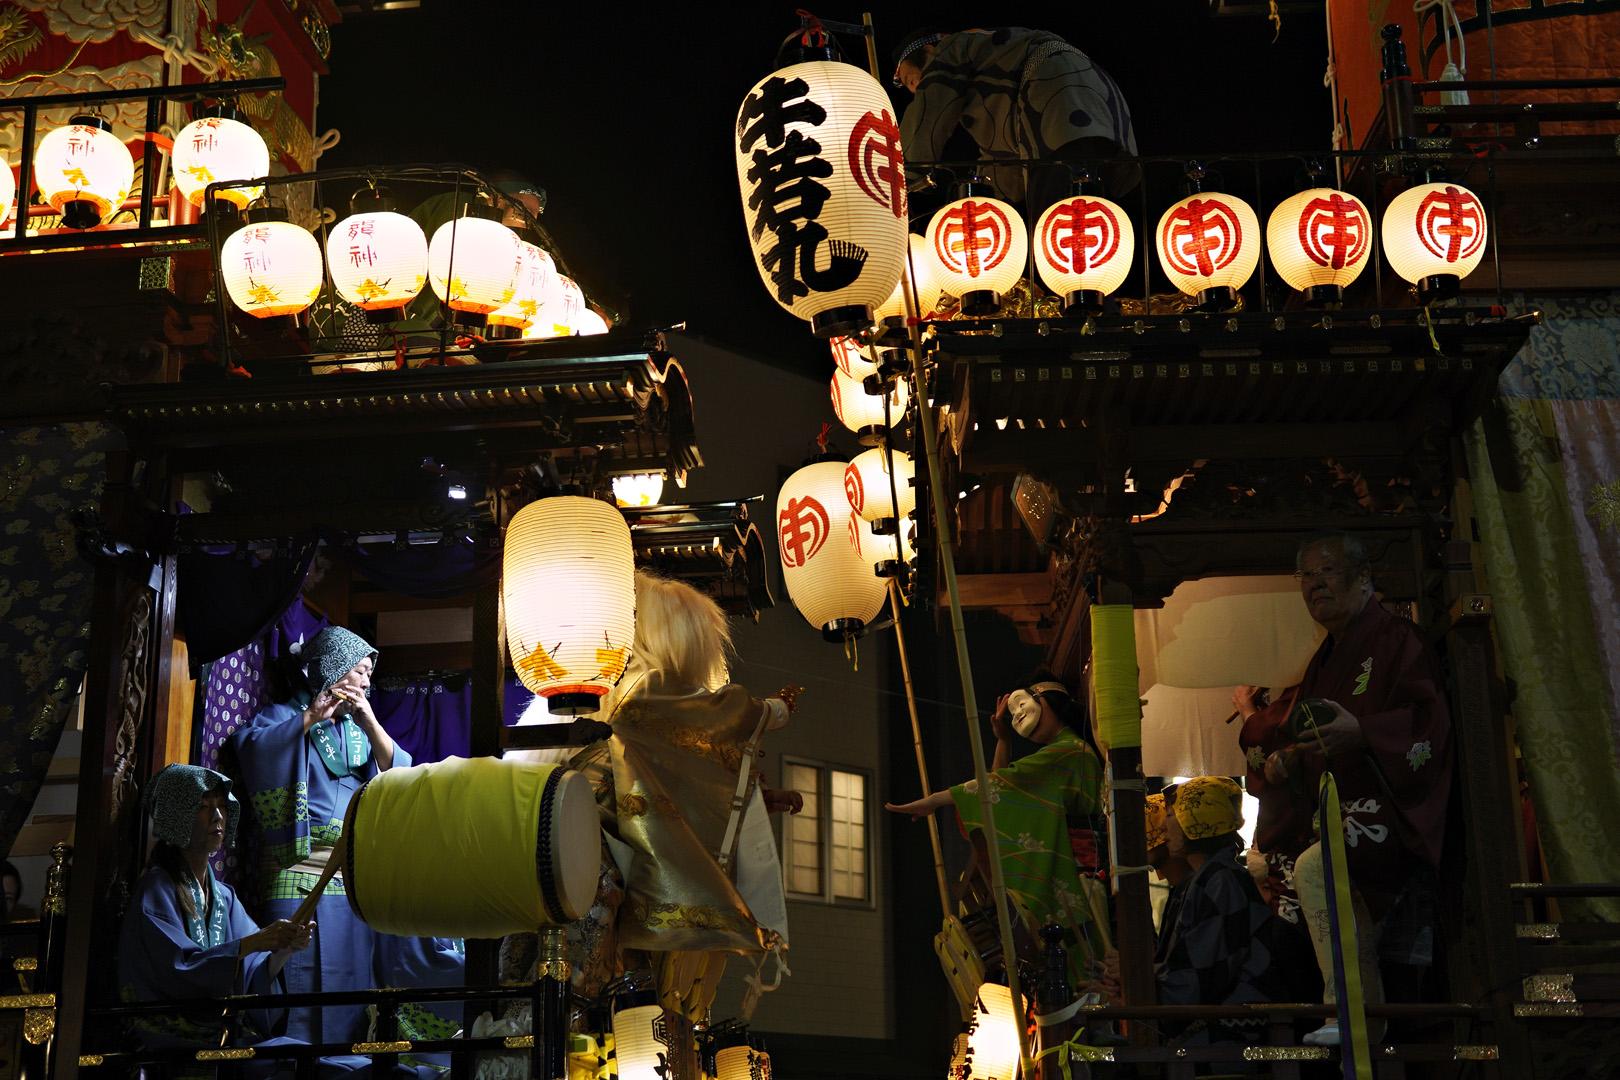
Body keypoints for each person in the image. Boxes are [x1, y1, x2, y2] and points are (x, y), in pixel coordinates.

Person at [1252, 531, 1453, 1047]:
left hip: (1388, 808)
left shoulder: (1395, 640)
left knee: (1316, 868)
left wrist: (1364, 733)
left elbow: (1425, 722)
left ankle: (1352, 1009)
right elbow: (1315, 738)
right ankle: (1344, 1007)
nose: (1315, 585)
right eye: (1306, 576)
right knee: (1292, 881)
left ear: (1365, 579)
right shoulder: (1326, 660)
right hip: (1341, 809)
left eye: (1328, 571)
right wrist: (1290, 758)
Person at [226, 626, 411, 1046]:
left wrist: (371, 721)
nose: (366, 681)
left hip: (346, 881)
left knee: (348, 986)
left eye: (368, 673)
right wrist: (309, 718)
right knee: (298, 979)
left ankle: (343, 1066)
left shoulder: (359, 733)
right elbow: (255, 749)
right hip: (295, 872)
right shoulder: (282, 717)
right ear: (333, 668)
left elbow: (401, 778)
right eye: (359, 671)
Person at [885, 673, 1107, 987]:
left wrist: (934, 801)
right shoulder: (1065, 752)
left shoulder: (1070, 751)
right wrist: (1003, 740)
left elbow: (999, 788)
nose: (1017, 715)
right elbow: (1002, 792)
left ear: (1048, 702)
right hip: (1075, 868)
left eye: (1023, 705)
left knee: (1079, 964)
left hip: (1079, 871)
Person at [117, 764, 312, 1058]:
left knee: (305, 1056)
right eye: (204, 807)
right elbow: (178, 971)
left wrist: (283, 949)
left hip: (222, 1030)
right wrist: (255, 942)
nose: (218, 817)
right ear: (177, 816)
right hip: (174, 1033)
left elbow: (251, 969)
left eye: (222, 806)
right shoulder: (156, 891)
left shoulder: (223, 896)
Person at [893, 27, 1138, 219]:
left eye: (911, 80)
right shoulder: (991, 55)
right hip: (1099, 99)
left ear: (927, 51)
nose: (916, 91)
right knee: (1093, 204)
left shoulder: (949, 49)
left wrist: (900, 175)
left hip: (1055, 98)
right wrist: (981, 202)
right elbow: (999, 161)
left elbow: (929, 107)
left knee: (1055, 219)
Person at [1151, 776, 1304, 1046]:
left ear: (1195, 822)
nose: (1164, 824)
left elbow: (1195, 981)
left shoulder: (1220, 882)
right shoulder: (1209, 878)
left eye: (1173, 815)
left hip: (1235, 1031)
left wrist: (1140, 983)